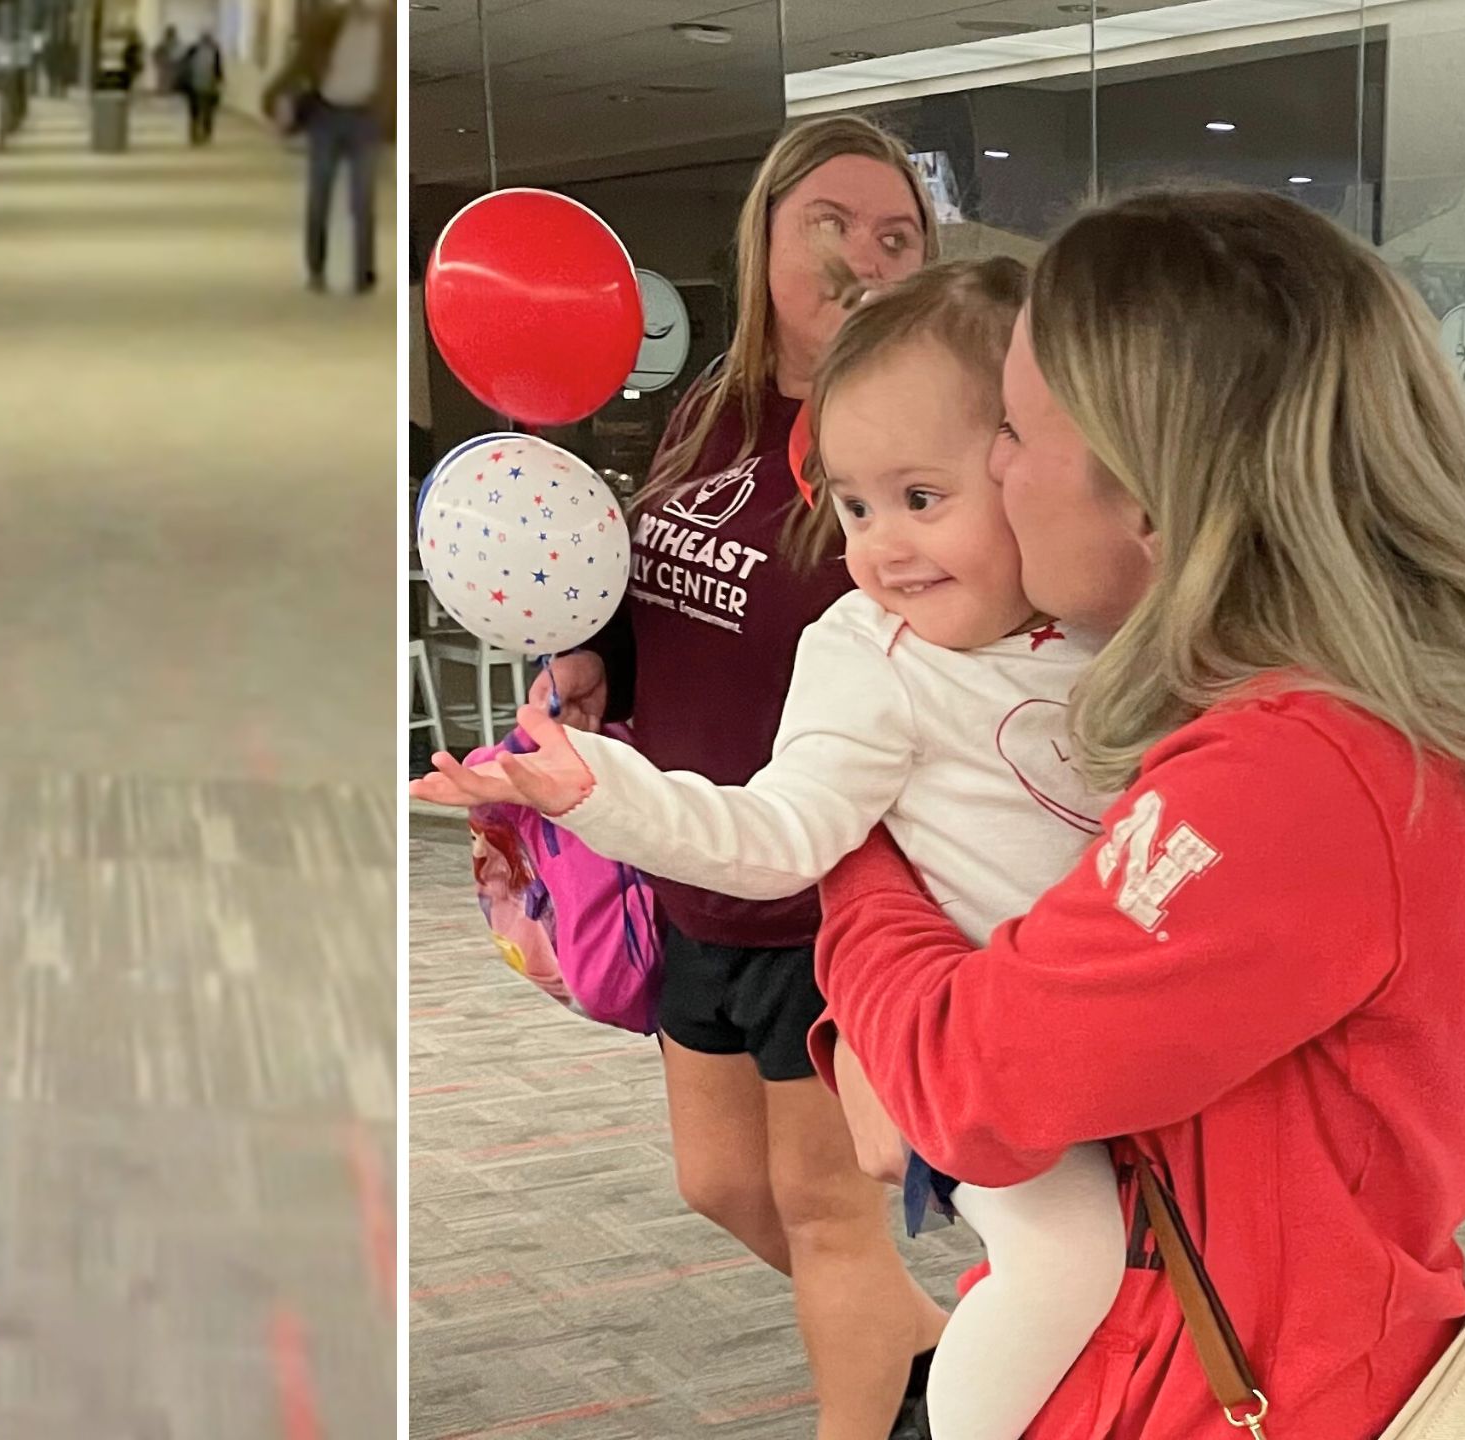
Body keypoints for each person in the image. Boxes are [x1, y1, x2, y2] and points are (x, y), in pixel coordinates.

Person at [817, 185, 1465, 1437]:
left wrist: (849, 846)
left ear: (1149, 494)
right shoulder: (1418, 713)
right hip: (1300, 1347)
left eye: (1018, 432)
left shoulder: (1296, 780)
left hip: (1210, 1391)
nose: (992, 469)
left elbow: (963, 1081)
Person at [414, 258, 1122, 1440]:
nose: (882, 547)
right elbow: (776, 831)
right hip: (997, 1064)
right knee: (1064, 1269)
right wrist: (601, 792)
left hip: (1125, 1038)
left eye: (920, 496)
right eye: (852, 507)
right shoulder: (869, 650)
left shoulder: (1104, 623)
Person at [517, 115, 949, 1440]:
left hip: (823, 887)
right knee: (722, 1185)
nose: (863, 256)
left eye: (897, 236)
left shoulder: (909, 445)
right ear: (765, 238)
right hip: (696, 872)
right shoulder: (713, 409)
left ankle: (906, 1395)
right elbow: (667, 586)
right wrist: (598, 654)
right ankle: (967, 1357)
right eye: (829, 222)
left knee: (827, 1219)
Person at [263, 0, 393, 295]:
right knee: (319, 194)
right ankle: (316, 267)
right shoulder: (328, 23)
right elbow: (300, 63)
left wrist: (390, 123)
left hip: (365, 118)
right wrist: (272, 98)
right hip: (327, 115)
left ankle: (363, 273)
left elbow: (392, 79)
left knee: (363, 200)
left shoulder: (389, 29)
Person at [178, 29, 224, 146]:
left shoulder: (198, 49)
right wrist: (219, 80)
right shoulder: (210, 50)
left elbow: (218, 69)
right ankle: (200, 133)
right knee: (202, 111)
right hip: (200, 85)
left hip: (201, 85)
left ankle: (198, 133)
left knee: (200, 111)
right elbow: (218, 69)